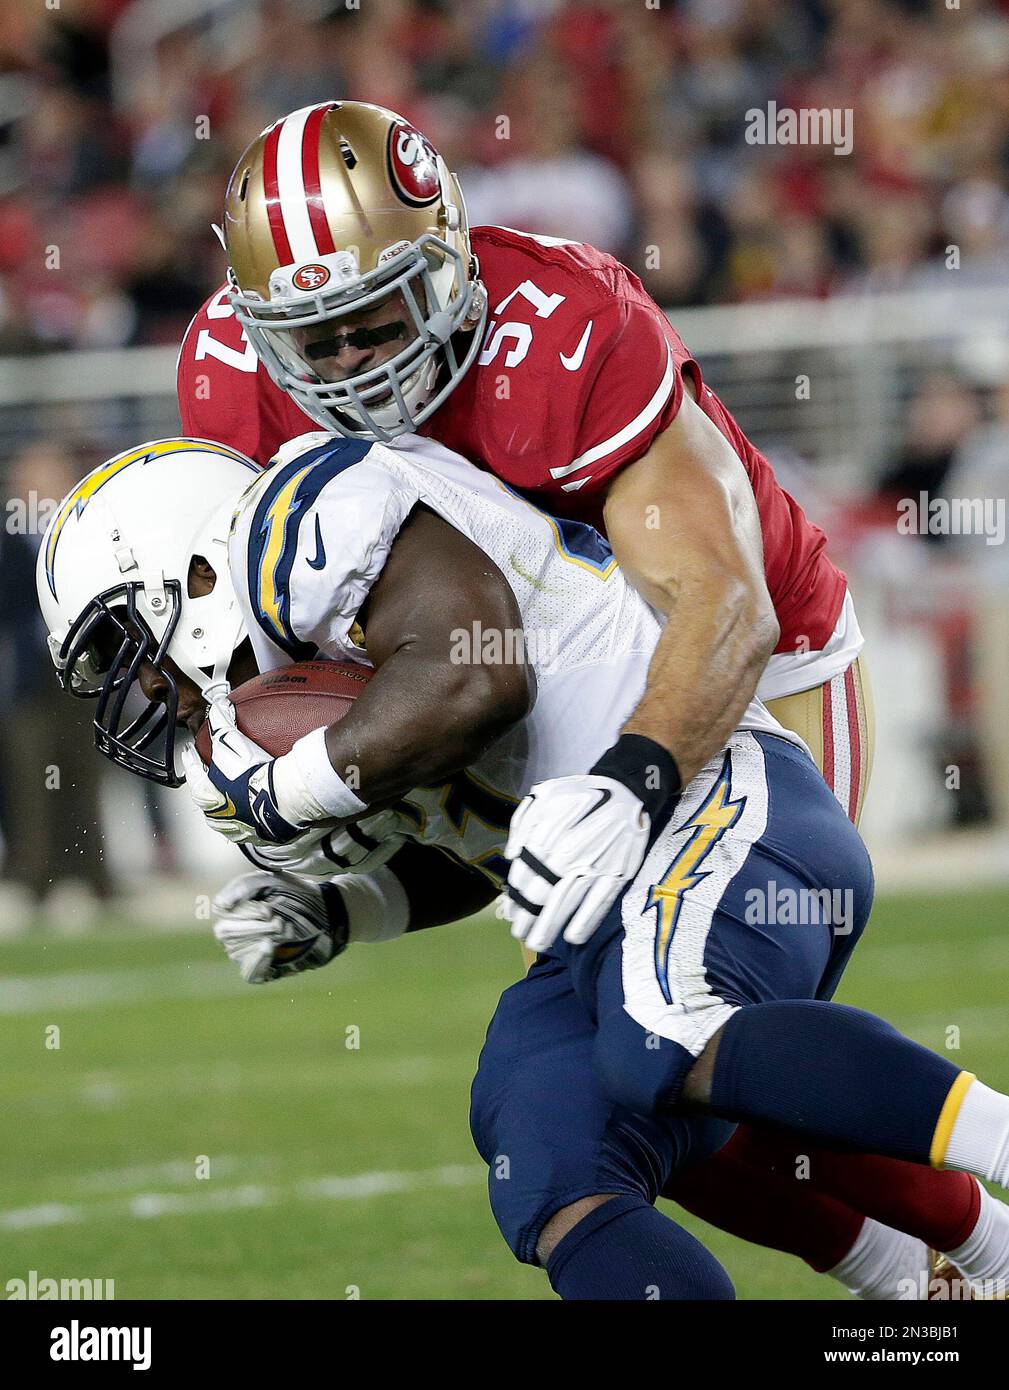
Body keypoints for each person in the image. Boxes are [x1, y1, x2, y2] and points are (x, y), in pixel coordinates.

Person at [176, 100, 977, 1285]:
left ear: (445, 258)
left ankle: (964, 1246)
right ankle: (917, 1276)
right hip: (540, 692)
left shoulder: (560, 328)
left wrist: (634, 778)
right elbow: (432, 694)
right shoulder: (234, 383)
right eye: (316, 338)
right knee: (609, 1088)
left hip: (749, 666)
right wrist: (353, 876)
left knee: (687, 1014)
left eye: (376, 316)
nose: (349, 363)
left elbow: (724, 604)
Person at [38, 434, 1009, 1300]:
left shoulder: (311, 520)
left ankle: (994, 1215)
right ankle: (911, 1281)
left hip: (714, 796)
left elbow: (477, 680)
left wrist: (299, 786)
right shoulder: (313, 669)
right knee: (548, 1150)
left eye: (128, 644)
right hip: (607, 898)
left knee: (659, 1028)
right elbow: (472, 840)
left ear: (192, 570)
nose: (147, 689)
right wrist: (349, 910)